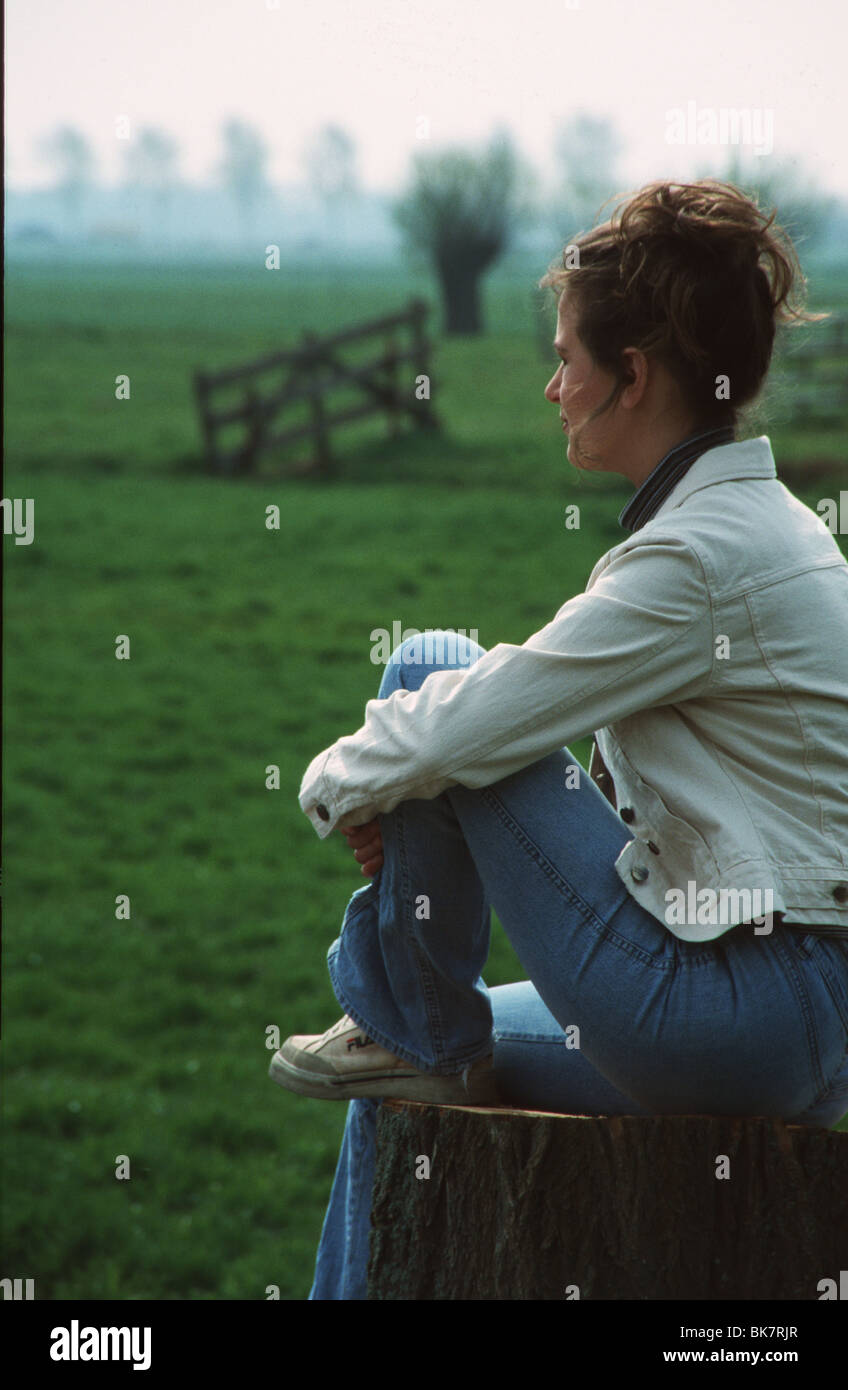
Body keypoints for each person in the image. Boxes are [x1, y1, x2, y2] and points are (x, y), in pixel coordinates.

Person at [270, 180, 848, 1300]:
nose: (551, 385)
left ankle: (409, 1018)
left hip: (742, 1005)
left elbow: (492, 708)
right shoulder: (761, 528)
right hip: (797, 1023)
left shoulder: (699, 558)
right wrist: (419, 794)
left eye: (567, 358)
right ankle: (409, 1029)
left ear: (632, 375)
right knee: (397, 1076)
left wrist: (341, 783)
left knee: (433, 667)